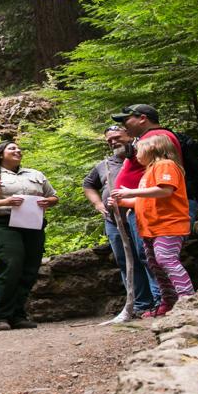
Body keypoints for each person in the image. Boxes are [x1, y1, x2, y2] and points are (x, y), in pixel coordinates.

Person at [0, 141, 59, 330]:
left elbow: (54, 197)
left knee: (30, 268)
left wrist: (47, 202)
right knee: (11, 264)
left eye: (18, 148)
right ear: (0, 155)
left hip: (32, 224)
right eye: (12, 148)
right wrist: (6, 202)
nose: (17, 150)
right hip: (1, 224)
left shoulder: (35, 174)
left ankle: (18, 315)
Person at [110, 133, 195, 317]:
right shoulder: (148, 171)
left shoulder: (166, 164)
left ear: (152, 149)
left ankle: (188, 298)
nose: (135, 153)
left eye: (138, 149)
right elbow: (144, 201)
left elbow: (165, 191)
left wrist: (131, 191)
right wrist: (122, 202)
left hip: (168, 224)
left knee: (165, 258)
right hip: (151, 227)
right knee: (155, 263)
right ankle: (169, 301)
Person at [83, 126, 160, 322]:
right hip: (113, 220)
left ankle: (160, 301)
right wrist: (98, 204)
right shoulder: (104, 165)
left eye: (117, 137)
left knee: (147, 256)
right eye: (109, 140)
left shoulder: (144, 158)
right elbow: (88, 184)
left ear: (130, 136)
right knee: (125, 261)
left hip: (141, 215)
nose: (113, 142)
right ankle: (141, 305)